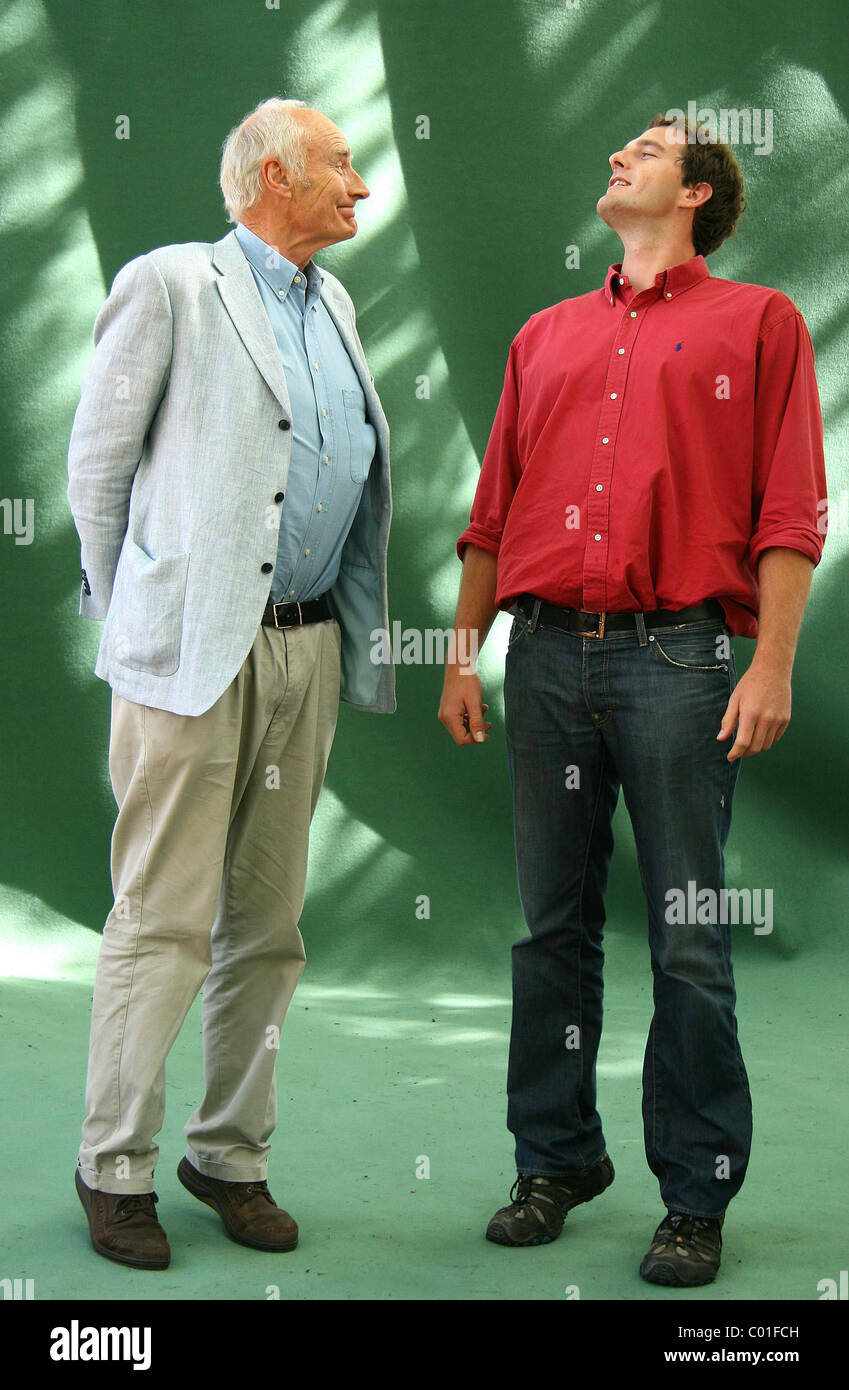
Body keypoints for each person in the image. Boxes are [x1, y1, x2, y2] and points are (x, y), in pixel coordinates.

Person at [438, 111, 827, 1286]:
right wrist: (462, 652)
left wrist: (773, 663)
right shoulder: (544, 334)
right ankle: (556, 1159)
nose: (620, 157)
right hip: (546, 657)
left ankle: (695, 1193)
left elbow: (791, 511)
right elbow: (493, 512)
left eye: (649, 150)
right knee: (548, 929)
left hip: (683, 662)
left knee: (690, 940)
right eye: (619, 149)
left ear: (699, 192)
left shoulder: (762, 324)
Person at [67, 97, 393, 1270]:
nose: (360, 187)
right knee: (161, 916)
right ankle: (115, 1165)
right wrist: (145, 619)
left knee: (267, 923)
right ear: (273, 178)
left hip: (307, 650)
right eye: (343, 167)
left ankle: (229, 1155)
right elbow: (96, 471)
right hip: (189, 656)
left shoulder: (337, 301)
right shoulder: (169, 284)